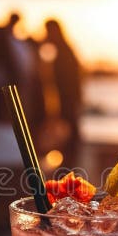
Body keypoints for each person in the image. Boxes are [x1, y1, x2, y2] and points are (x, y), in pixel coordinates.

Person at [41, 19, 83, 167]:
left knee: (68, 143)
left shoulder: (64, 53)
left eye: (47, 31)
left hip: (68, 104)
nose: (45, 35)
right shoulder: (64, 50)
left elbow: (68, 84)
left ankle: (68, 177)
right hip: (68, 104)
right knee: (69, 144)